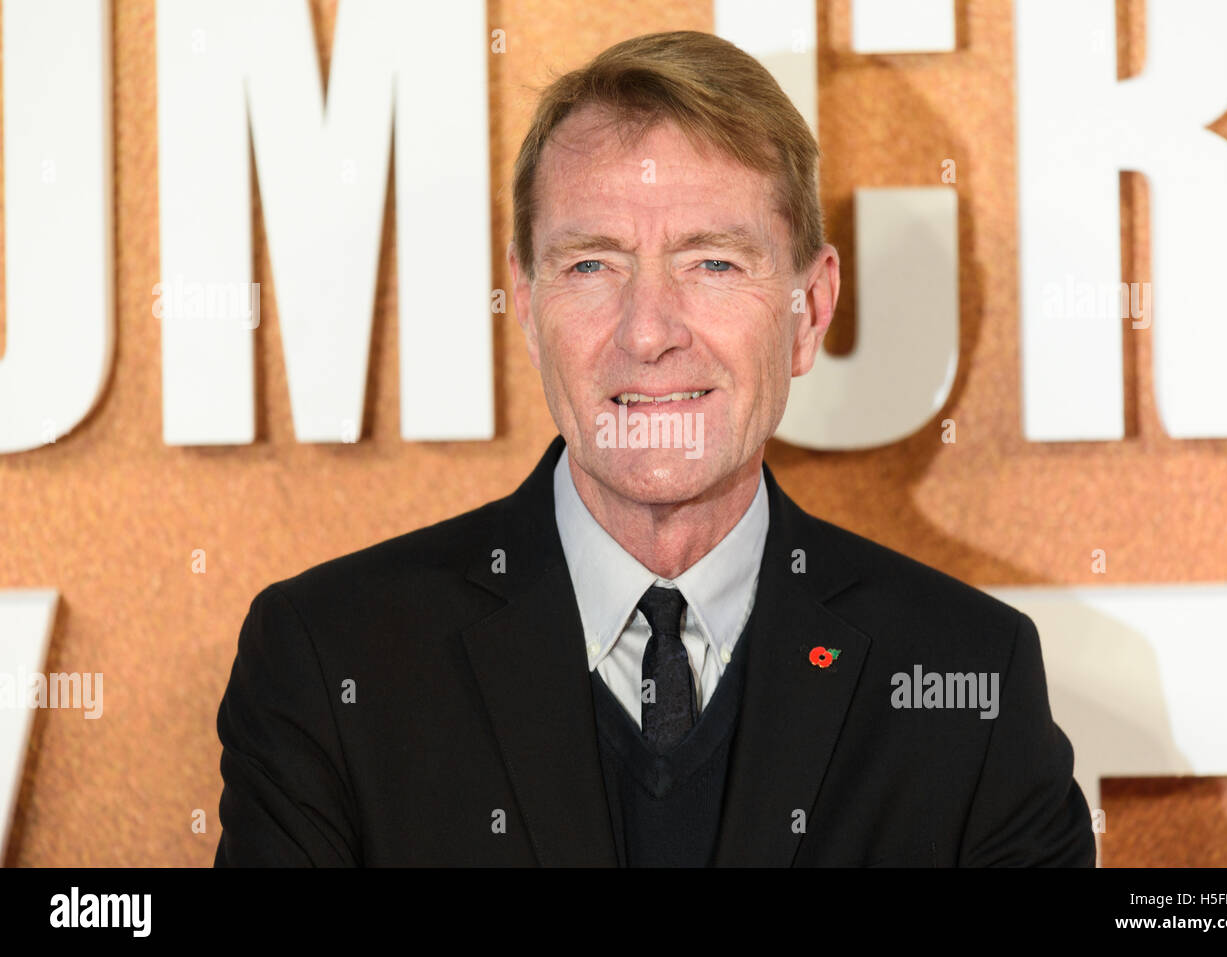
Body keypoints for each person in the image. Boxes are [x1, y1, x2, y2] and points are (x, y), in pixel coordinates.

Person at [214, 29, 1096, 867]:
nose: (648, 334)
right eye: (592, 264)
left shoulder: (969, 681)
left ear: (810, 311)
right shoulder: (333, 663)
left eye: (712, 262)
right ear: (525, 303)